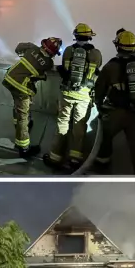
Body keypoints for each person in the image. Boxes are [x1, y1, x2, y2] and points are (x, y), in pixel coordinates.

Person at [93, 30, 135, 174]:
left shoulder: (110, 67)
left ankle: (102, 166)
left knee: (104, 137)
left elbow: (99, 91)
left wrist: (99, 105)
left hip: (116, 113)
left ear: (118, 47)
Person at [44, 23, 103, 169]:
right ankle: (75, 160)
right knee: (79, 127)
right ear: (89, 36)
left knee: (62, 124)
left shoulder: (69, 50)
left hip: (67, 93)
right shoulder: (96, 54)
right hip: (84, 96)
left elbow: (65, 69)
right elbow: (96, 73)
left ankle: (55, 157)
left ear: (75, 35)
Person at [2, 37, 62, 158]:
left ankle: (19, 125)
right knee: (23, 116)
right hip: (21, 87)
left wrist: (28, 52)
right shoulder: (49, 63)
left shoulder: (31, 47)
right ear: (53, 53)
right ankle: (24, 148)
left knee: (18, 105)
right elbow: (40, 73)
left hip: (9, 78)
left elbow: (18, 48)